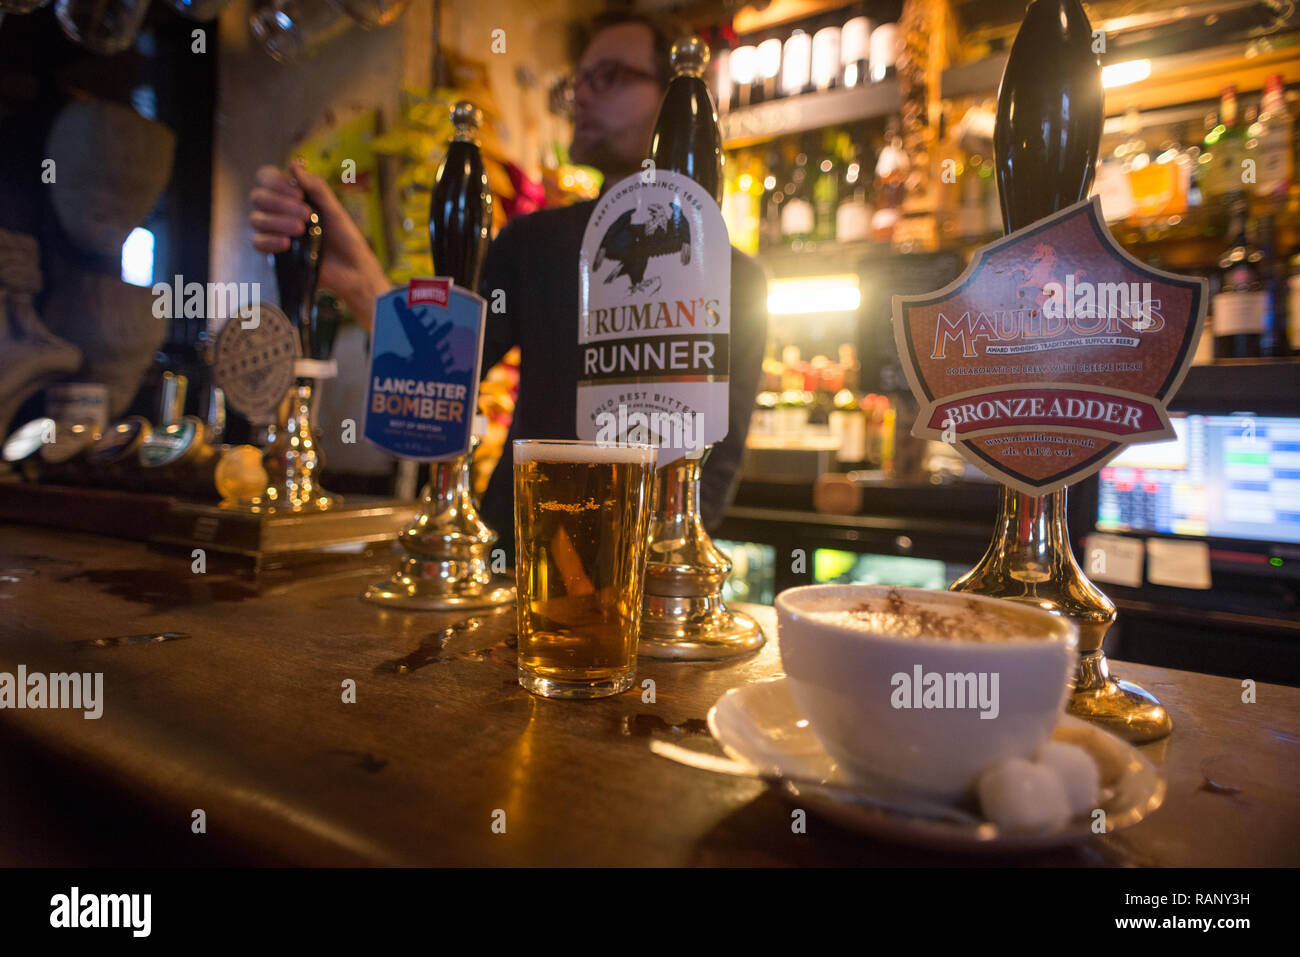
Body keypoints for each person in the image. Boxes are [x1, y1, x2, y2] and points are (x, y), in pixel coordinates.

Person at [249, 11, 768, 541]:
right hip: (519, 564)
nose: (583, 98)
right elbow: (442, 381)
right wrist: (354, 276)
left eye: (609, 77)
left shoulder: (736, 279)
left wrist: (641, 569)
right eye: (579, 82)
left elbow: (714, 476)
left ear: (675, 100)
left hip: (649, 577)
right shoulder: (535, 242)